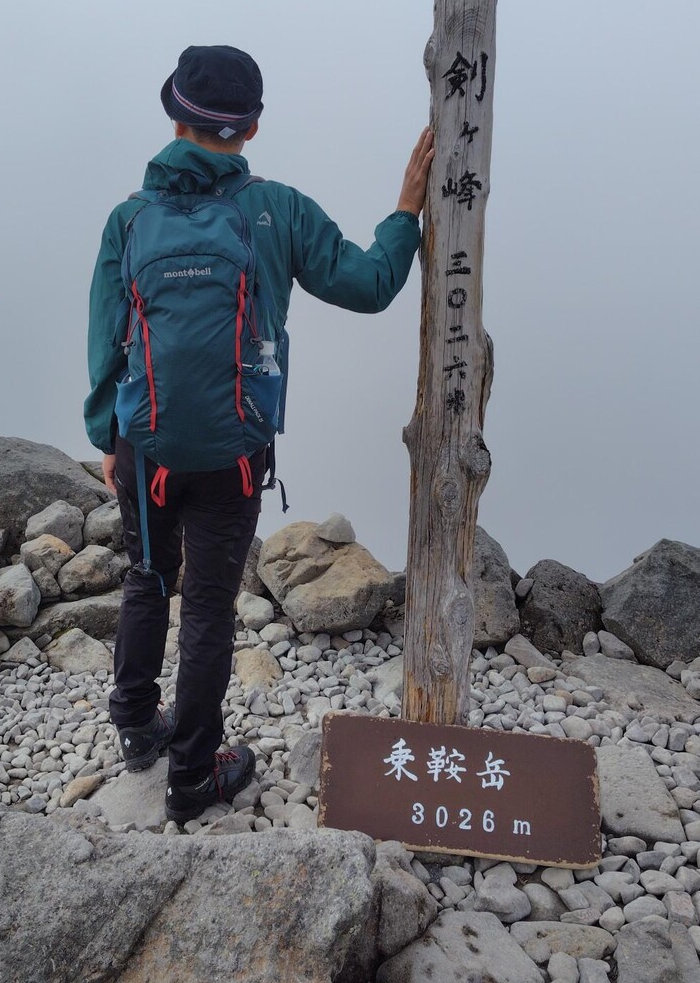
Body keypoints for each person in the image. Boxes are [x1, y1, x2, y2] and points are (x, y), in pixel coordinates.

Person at [84, 44, 434, 822]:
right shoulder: (275, 210)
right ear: (249, 130)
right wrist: (406, 211)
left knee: (147, 579)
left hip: (147, 445)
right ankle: (192, 776)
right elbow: (371, 284)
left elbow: (106, 338)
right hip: (234, 454)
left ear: (174, 115)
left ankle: (138, 728)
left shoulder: (129, 221)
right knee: (208, 607)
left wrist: (109, 436)